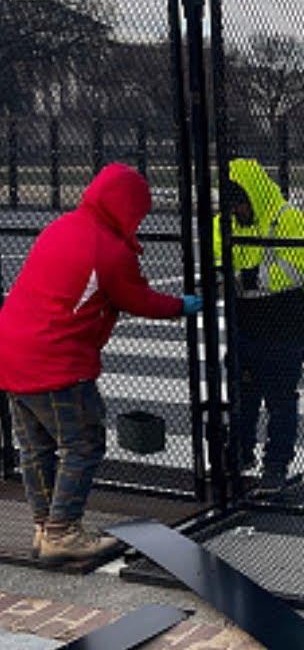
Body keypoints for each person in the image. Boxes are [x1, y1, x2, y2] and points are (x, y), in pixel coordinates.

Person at [0, 163, 201, 564]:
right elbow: (138, 298)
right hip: (56, 360)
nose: (139, 221)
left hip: (11, 352)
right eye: (137, 213)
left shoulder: (62, 227)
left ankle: (44, 528)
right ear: (124, 207)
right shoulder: (108, 250)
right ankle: (63, 533)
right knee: (83, 443)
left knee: (36, 448)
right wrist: (181, 305)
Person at [213, 158, 304, 496]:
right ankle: (239, 454)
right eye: (231, 204)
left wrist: (244, 279)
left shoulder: (289, 219)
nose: (237, 210)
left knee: (280, 399)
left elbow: (297, 269)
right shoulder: (223, 225)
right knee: (242, 392)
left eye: (241, 202)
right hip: (246, 322)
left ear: (253, 195)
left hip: (285, 324)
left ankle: (275, 466)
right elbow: (218, 264)